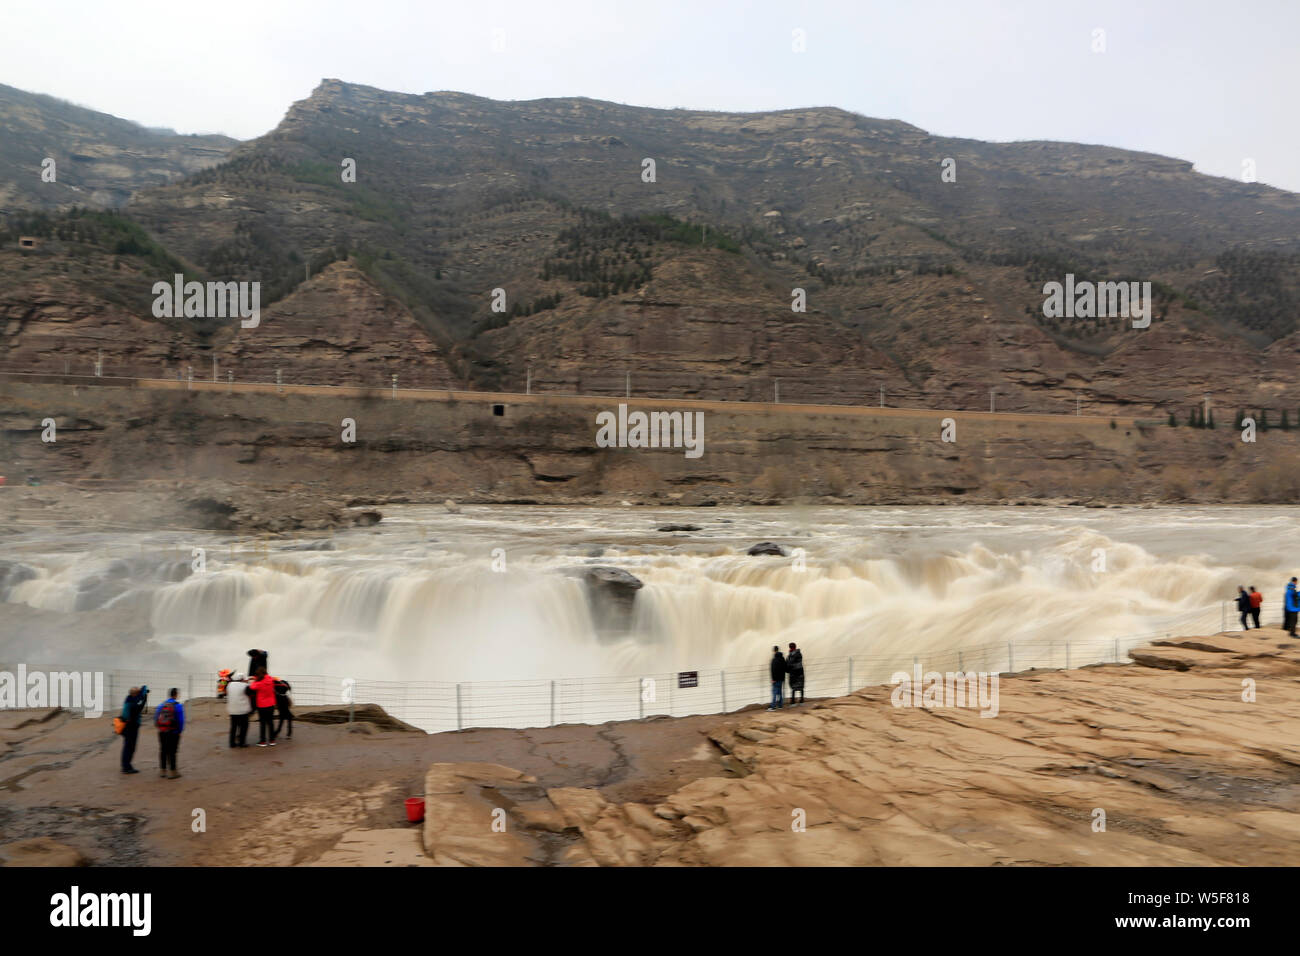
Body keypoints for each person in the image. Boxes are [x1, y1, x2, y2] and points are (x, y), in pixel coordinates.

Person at [154, 688, 185, 779]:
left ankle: (162, 771)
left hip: (162, 731)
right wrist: (179, 731)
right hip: (173, 732)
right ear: (176, 695)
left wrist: (159, 727)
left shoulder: (161, 705)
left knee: (163, 750)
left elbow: (156, 717)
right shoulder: (178, 706)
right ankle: (172, 772)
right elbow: (181, 720)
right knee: (172, 752)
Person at [119, 685, 148, 774]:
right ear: (135, 694)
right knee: (130, 747)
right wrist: (144, 696)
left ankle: (125, 765)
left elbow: (139, 703)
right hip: (131, 727)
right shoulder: (133, 703)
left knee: (127, 747)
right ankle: (126, 767)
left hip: (127, 727)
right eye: (138, 693)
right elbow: (140, 707)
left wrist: (142, 693)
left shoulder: (129, 699)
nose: (139, 694)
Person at [248, 667, 278, 746]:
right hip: (271, 704)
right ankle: (272, 740)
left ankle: (263, 741)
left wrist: (255, 680)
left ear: (258, 675)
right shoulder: (271, 680)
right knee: (270, 722)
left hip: (262, 706)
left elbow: (252, 687)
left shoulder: (259, 683)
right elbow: (267, 678)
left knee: (263, 723)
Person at [226, 672, 252, 748]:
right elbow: (251, 693)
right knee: (244, 726)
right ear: (242, 679)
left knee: (233, 727)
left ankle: (232, 743)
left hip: (232, 710)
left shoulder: (229, 685)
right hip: (243, 711)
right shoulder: (245, 686)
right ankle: (242, 743)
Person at [768, 646, 786, 711]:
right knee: (780, 692)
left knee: (774, 693)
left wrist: (773, 679)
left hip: (776, 679)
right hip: (781, 679)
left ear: (774, 651)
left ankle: (773, 707)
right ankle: (780, 705)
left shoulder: (774, 660)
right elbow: (785, 668)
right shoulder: (783, 659)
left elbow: (773, 670)